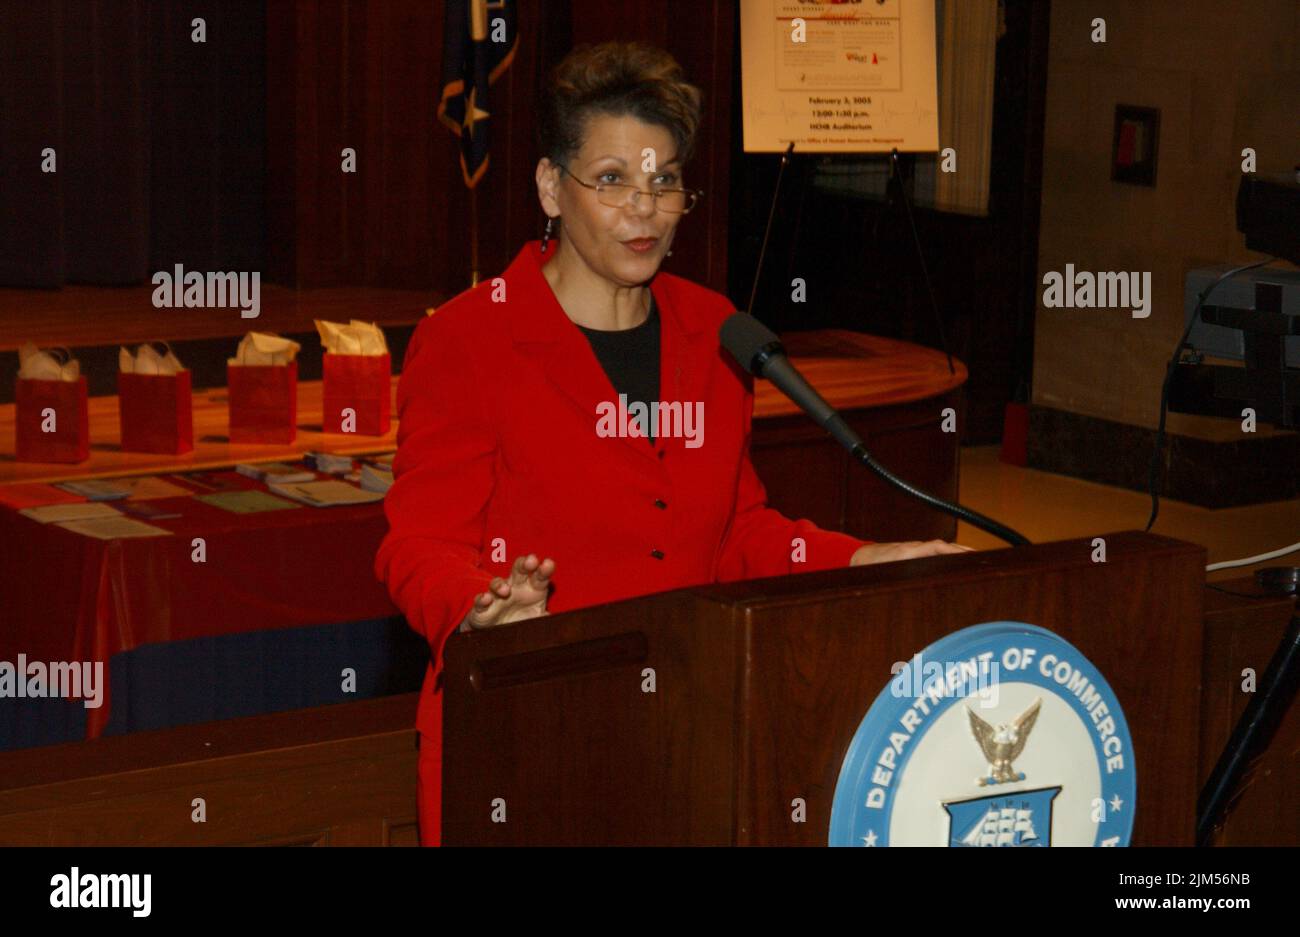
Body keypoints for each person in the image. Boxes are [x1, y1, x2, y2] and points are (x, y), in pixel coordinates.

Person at [375, 40, 970, 846]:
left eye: (665, 182)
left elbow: (735, 533)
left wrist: (859, 561)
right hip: (524, 735)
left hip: (685, 736)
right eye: (613, 180)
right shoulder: (470, 338)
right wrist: (481, 611)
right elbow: (417, 544)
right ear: (552, 187)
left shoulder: (715, 330)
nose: (645, 210)